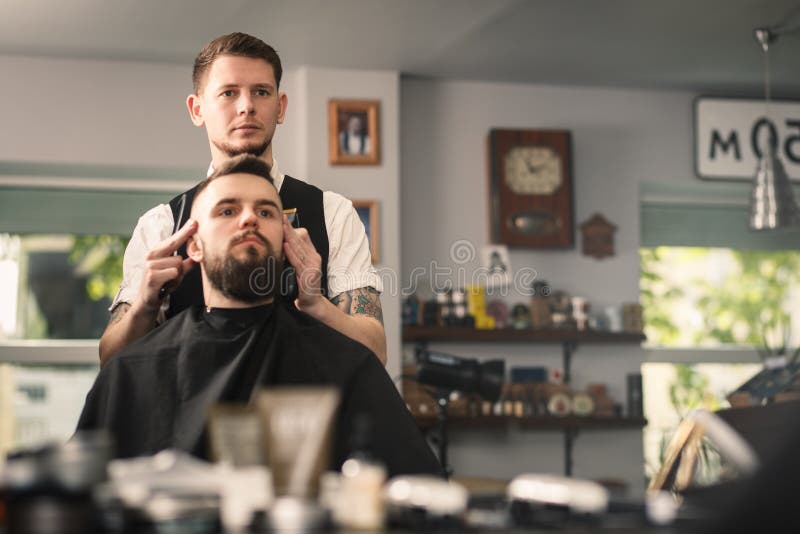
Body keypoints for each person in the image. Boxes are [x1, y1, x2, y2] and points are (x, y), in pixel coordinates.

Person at [77, 155, 442, 478]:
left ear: (285, 243)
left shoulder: (345, 364)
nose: (249, 218)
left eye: (266, 212)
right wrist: (143, 304)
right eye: (227, 211)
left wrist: (316, 302)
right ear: (194, 245)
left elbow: (416, 493)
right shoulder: (134, 370)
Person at [99, 32, 386, 366]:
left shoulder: (332, 214)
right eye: (228, 93)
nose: (246, 106)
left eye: (261, 92)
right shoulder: (160, 226)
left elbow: (376, 353)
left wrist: (316, 305)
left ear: (280, 107)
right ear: (197, 109)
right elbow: (110, 361)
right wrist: (145, 306)